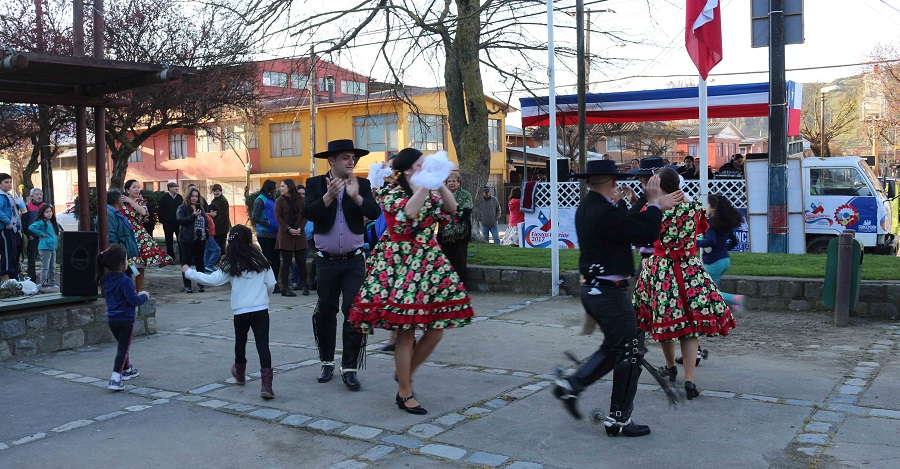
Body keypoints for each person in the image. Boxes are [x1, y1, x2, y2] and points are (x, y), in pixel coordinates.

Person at [552, 159, 683, 438]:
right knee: (631, 351)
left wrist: (644, 202)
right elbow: (644, 232)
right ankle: (619, 418)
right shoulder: (602, 212)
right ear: (611, 183)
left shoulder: (591, 207)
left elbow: (625, 224)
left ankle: (573, 386)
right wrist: (656, 204)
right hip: (607, 294)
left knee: (616, 348)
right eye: (616, 183)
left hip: (598, 291)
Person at [349, 148, 474, 415]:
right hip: (402, 266)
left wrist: (439, 183)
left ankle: (405, 374)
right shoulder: (391, 192)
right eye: (420, 165)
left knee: (437, 329)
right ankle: (405, 392)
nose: (424, 168)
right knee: (406, 334)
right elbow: (408, 212)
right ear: (407, 170)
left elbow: (452, 209)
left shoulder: (428, 189)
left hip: (430, 265)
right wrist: (427, 186)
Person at [633, 168, 737, 400]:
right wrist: (683, 197)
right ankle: (689, 380)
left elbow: (641, 231)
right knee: (689, 328)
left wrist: (654, 201)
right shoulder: (693, 210)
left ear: (658, 186)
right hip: (689, 270)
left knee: (665, 320)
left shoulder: (653, 210)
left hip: (661, 269)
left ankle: (670, 367)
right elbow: (701, 227)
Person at [304, 139, 381, 390]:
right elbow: (309, 214)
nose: (351, 162)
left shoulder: (363, 183)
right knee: (326, 312)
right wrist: (328, 196)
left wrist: (356, 196)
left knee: (354, 311)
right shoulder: (315, 183)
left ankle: (349, 367)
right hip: (326, 262)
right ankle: (327, 362)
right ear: (332, 161)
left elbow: (375, 211)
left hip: (354, 261)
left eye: (353, 158)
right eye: (346, 157)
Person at [184, 225, 277, 399]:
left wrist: (190, 273)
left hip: (241, 311)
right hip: (260, 310)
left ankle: (240, 373)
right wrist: (265, 297)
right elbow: (271, 283)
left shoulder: (230, 262)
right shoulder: (261, 259)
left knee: (240, 342)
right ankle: (266, 385)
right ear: (249, 240)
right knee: (263, 345)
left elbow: (213, 280)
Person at [97, 244, 150, 391]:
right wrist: (144, 296)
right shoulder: (125, 281)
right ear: (121, 263)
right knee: (122, 348)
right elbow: (134, 300)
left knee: (123, 346)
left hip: (112, 320)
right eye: (126, 259)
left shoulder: (106, 279)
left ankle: (127, 369)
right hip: (126, 320)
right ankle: (115, 378)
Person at [122, 180, 173, 292]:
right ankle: (127, 290)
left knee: (140, 265)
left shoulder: (141, 201)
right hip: (126, 234)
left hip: (139, 235)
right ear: (127, 190)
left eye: (138, 187)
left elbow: (143, 213)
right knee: (127, 264)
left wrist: (131, 201)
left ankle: (138, 291)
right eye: (134, 187)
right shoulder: (121, 201)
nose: (136, 189)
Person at [437, 172, 473, 285]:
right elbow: (438, 212)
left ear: (459, 183)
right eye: (449, 181)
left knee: (460, 262)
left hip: (461, 234)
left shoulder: (466, 195)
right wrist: (453, 211)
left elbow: (465, 213)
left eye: (454, 181)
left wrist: (450, 212)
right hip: (445, 234)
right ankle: (449, 286)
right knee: (447, 261)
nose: (451, 183)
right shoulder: (441, 195)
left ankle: (462, 286)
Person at [275, 179, 308, 297]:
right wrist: (288, 229)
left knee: (301, 262)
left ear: (289, 187)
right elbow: (278, 218)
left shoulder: (301, 200)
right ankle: (285, 287)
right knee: (286, 262)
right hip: (285, 235)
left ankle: (304, 285)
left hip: (299, 234)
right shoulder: (279, 201)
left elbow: (305, 216)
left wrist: (299, 228)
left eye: (283, 186)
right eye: (280, 186)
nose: (280, 188)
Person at [252, 180, 282, 294]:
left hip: (275, 234)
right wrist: (268, 223)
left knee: (276, 260)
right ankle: (266, 282)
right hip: (265, 234)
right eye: (275, 187)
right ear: (270, 188)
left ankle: (274, 283)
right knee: (268, 259)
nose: (277, 189)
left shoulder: (273, 199)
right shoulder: (260, 200)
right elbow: (255, 216)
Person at [177, 187, 208, 293]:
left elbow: (205, 221)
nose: (194, 198)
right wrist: (193, 216)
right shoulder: (183, 208)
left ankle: (201, 284)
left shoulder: (201, 208)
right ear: (188, 196)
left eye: (196, 196)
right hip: (187, 239)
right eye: (192, 196)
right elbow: (181, 220)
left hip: (200, 239)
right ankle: (187, 285)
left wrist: (206, 232)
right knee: (186, 262)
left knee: (200, 262)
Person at [0, 173, 25, 282]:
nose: (9, 184)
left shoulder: (9, 195)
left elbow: (15, 212)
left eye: (10, 182)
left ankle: (13, 276)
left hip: (14, 229)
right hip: (5, 229)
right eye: (6, 182)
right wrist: (6, 222)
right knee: (6, 252)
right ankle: (5, 278)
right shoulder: (1, 196)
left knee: (14, 253)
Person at [27, 204, 59, 287]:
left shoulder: (51, 222)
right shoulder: (41, 222)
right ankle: (43, 283)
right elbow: (31, 227)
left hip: (52, 247)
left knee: (52, 266)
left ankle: (52, 283)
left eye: (50, 211)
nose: (49, 213)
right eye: (47, 212)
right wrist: (40, 233)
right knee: (45, 266)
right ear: (42, 213)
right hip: (45, 247)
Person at [103, 190, 140, 261]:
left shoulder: (115, 212)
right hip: (118, 253)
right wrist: (117, 252)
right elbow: (110, 235)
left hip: (123, 251)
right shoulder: (109, 214)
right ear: (117, 202)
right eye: (121, 199)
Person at [157, 182, 183, 259]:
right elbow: (160, 211)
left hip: (178, 222)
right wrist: (163, 221)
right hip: (168, 223)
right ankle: (171, 258)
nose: (177, 189)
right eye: (175, 187)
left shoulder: (179, 197)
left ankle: (182, 258)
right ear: (170, 188)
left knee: (180, 240)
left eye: (177, 187)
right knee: (169, 241)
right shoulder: (164, 198)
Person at [23, 188, 43, 281]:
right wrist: (28, 235)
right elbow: (24, 222)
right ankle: (31, 279)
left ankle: (45, 279)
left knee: (46, 259)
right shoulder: (27, 206)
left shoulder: (45, 206)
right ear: (31, 196)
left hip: (44, 237)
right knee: (32, 260)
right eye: (37, 194)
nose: (39, 196)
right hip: (33, 236)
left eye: (40, 194)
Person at [210, 184, 232, 257]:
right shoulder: (215, 200)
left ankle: (221, 260)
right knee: (217, 244)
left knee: (221, 245)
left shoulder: (223, 200)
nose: (215, 193)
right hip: (216, 227)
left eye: (217, 191)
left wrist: (215, 223)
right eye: (214, 191)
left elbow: (223, 214)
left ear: (220, 191)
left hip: (222, 227)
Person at [202, 204, 221, 273]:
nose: (216, 214)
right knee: (217, 250)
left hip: (209, 236)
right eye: (215, 212)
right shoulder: (207, 217)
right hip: (209, 236)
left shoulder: (208, 217)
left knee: (208, 251)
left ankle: (205, 265)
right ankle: (210, 265)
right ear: (212, 211)